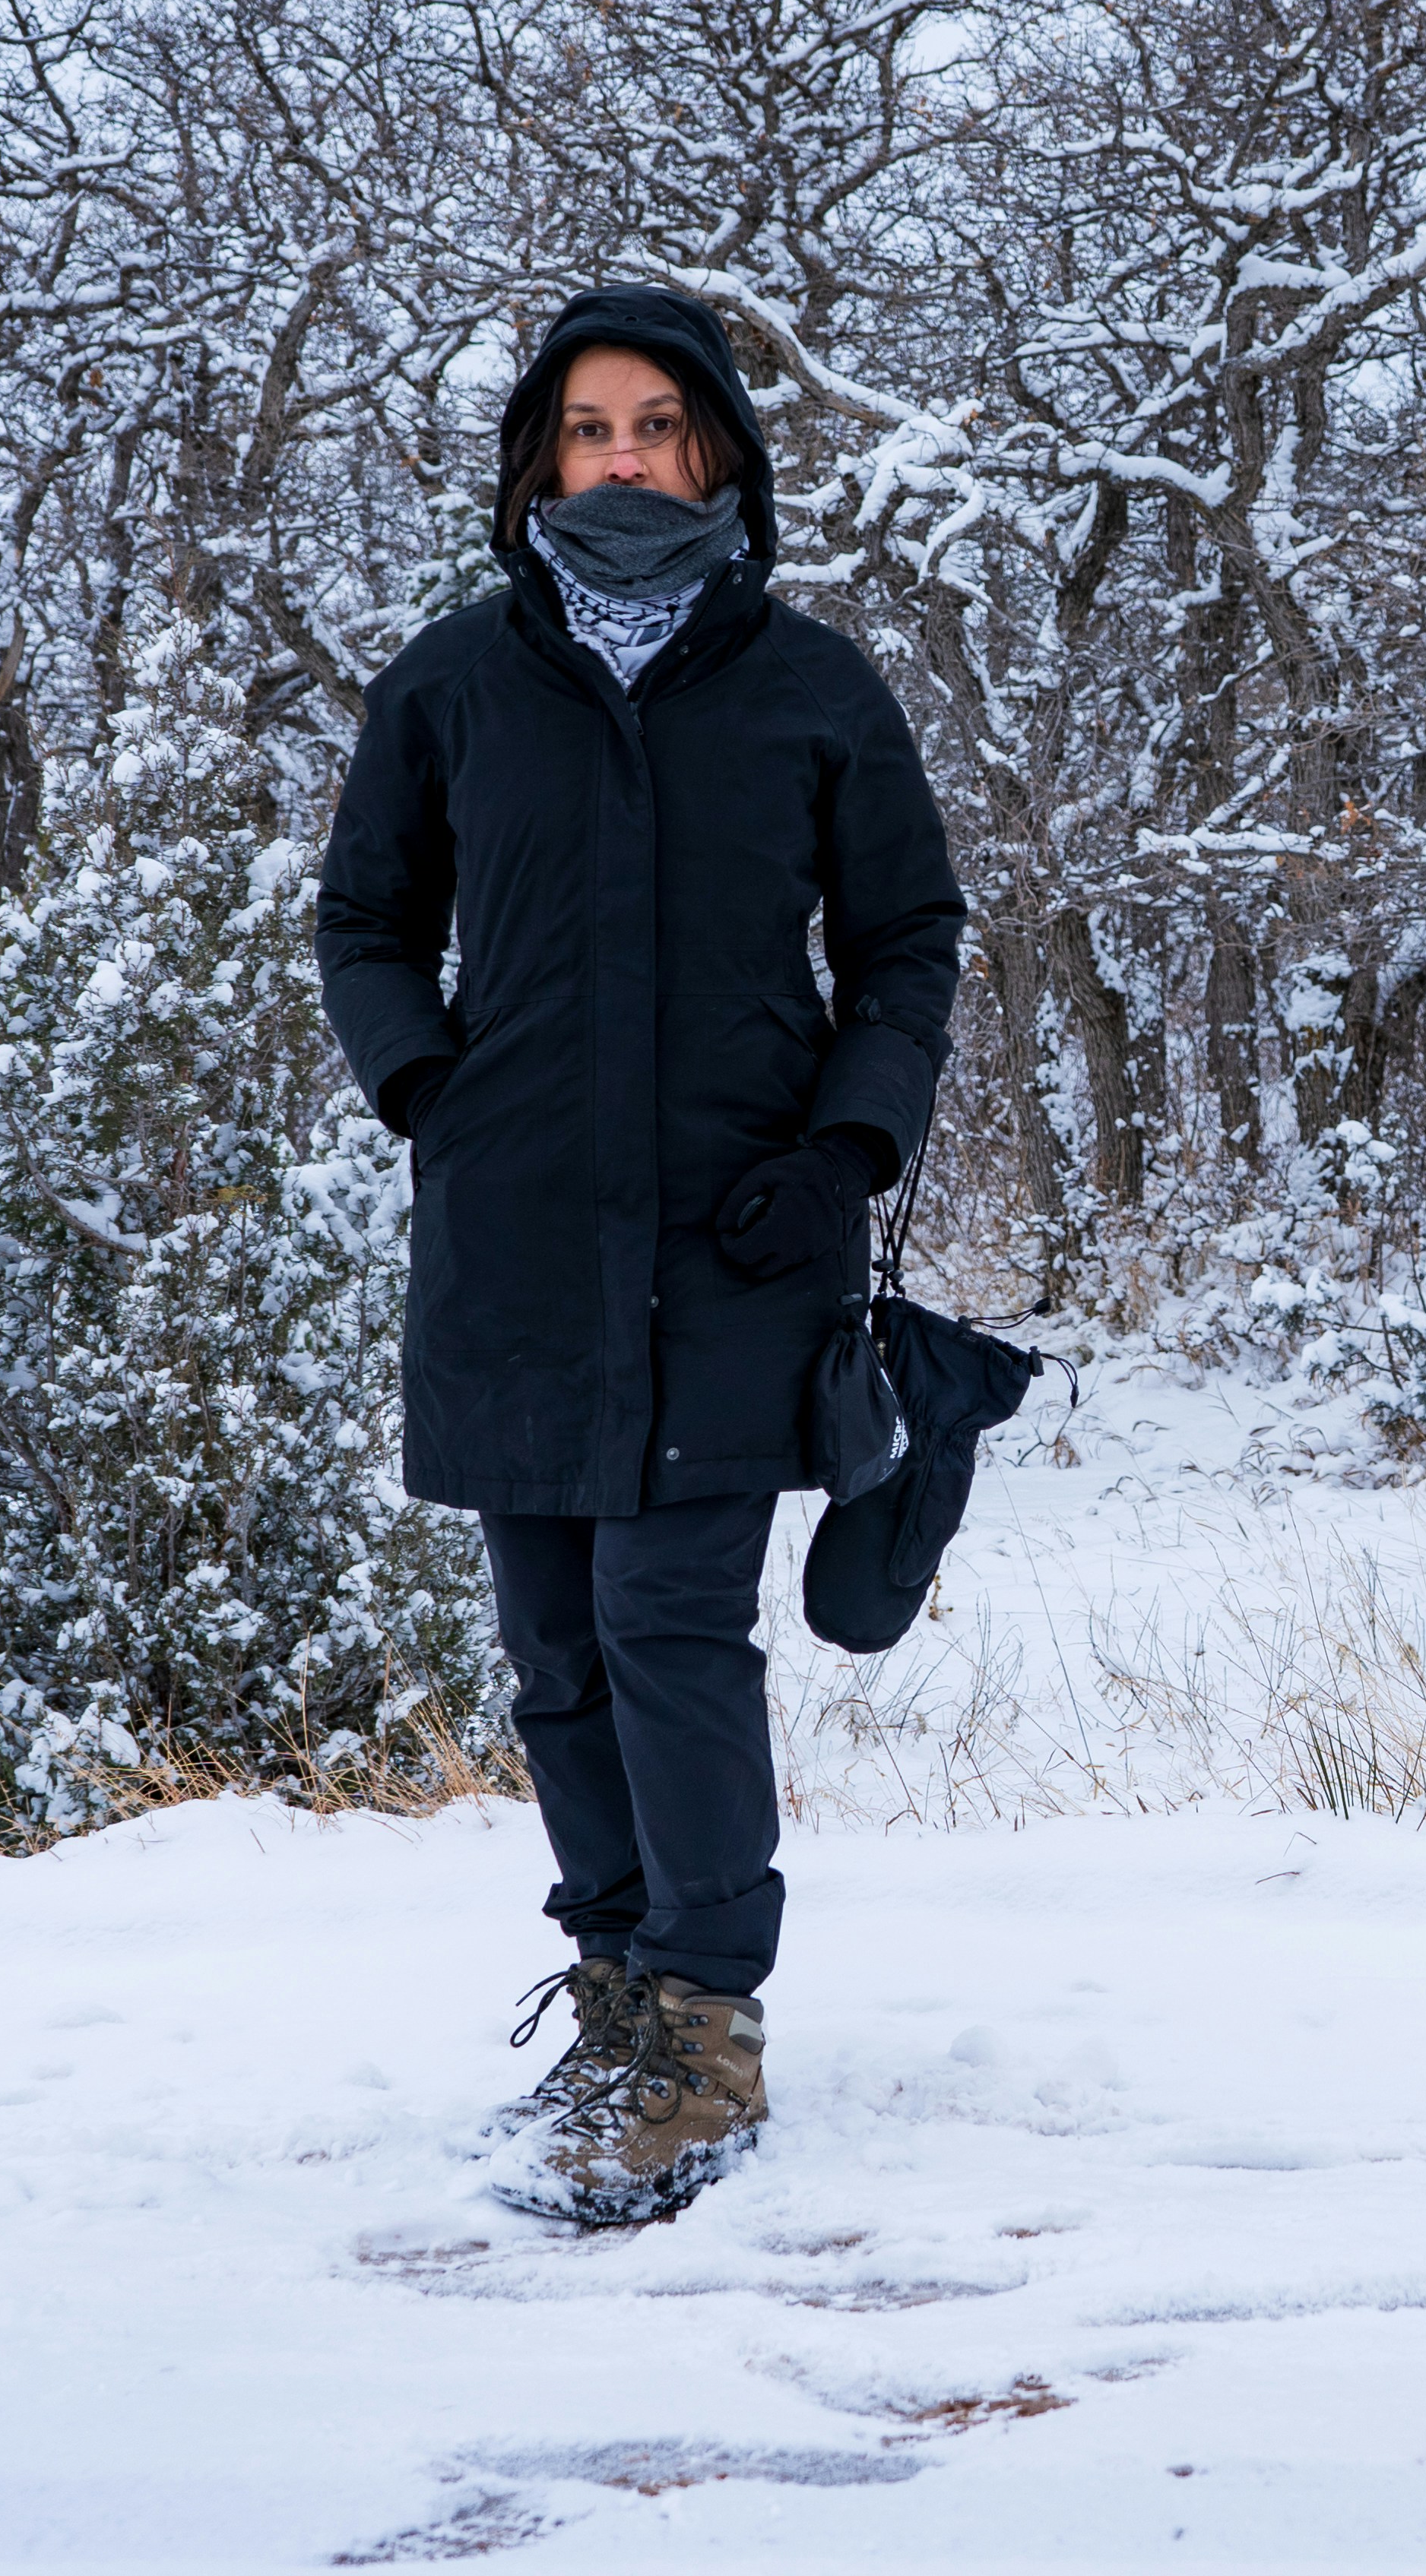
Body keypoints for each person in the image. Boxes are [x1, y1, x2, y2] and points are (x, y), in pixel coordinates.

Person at [315, 283, 965, 2224]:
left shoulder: (811, 686)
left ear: (720, 456)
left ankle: (704, 2025)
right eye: (590, 427)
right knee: (553, 1649)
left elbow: (911, 934)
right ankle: (613, 1983)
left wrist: (852, 1137)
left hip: (740, 1230)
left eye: (658, 426)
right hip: (511, 1241)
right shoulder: (451, 685)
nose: (623, 457)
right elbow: (363, 924)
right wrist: (430, 1088)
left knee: (672, 1627)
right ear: (539, 460)